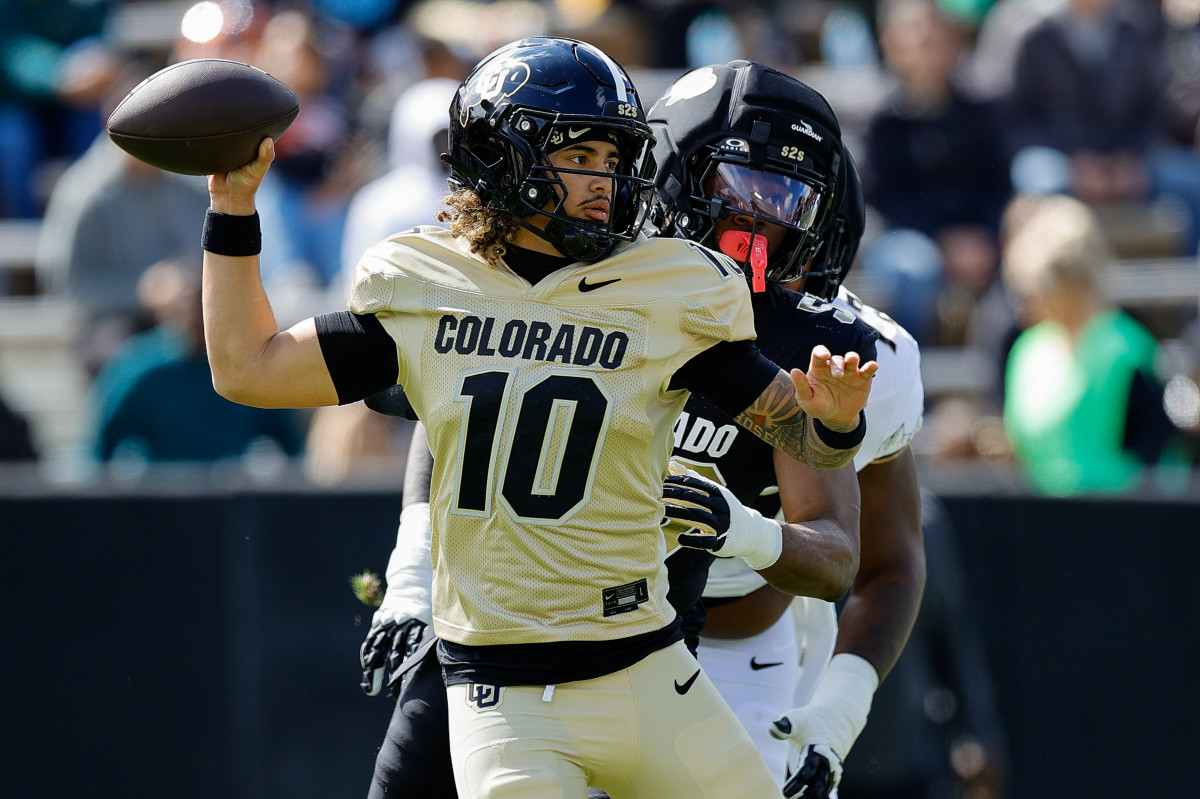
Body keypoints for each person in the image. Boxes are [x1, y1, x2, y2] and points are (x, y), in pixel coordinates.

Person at [201, 37, 876, 799]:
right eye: (583, 156)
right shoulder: (428, 284)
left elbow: (798, 437)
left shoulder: (667, 290)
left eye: (617, 160)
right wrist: (232, 208)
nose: (607, 181)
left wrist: (831, 424)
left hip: (647, 666)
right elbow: (247, 367)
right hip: (506, 693)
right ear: (502, 155)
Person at [647, 61, 927, 796]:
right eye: (738, 190)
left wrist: (840, 706)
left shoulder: (852, 357)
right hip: (575, 628)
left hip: (745, 650)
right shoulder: (596, 298)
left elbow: (887, 562)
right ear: (674, 177)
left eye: (785, 197)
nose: (760, 220)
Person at [1002, 193, 1189, 494]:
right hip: (1044, 523)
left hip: (1122, 521)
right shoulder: (1028, 349)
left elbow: (1155, 453)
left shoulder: (1126, 347)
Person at [85, 259, 305, 464]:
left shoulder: (251, 368)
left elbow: (292, 446)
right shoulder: (141, 369)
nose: (200, 318)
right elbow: (98, 446)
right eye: (193, 308)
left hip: (230, 496)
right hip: (161, 498)